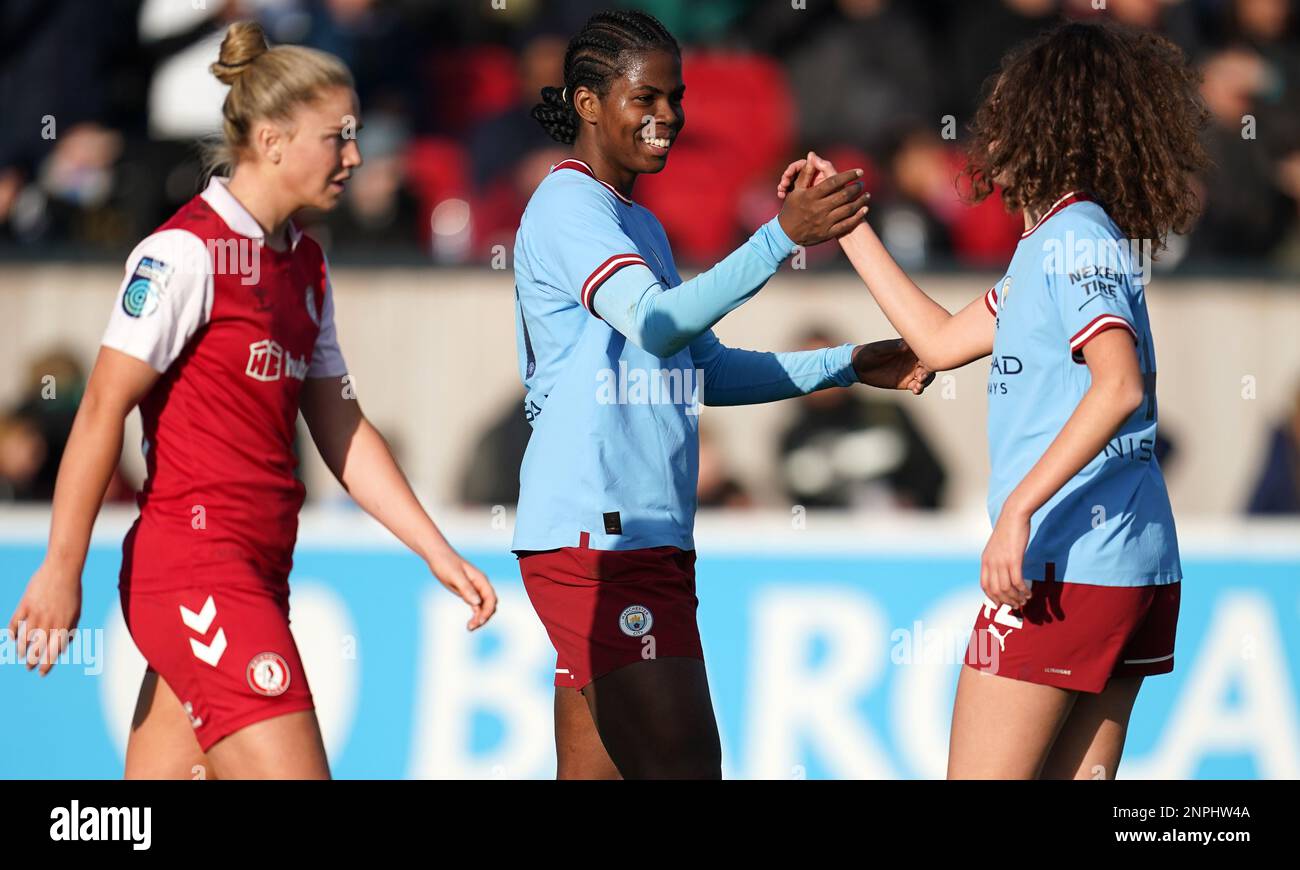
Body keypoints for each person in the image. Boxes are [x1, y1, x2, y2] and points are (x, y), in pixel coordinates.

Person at [7, 21, 496, 780]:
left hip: (260, 575)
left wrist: (437, 551)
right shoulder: (183, 254)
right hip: (199, 574)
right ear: (271, 141)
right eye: (338, 138)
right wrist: (60, 568)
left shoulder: (305, 266)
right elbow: (101, 406)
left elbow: (342, 426)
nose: (357, 157)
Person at [780, 21, 1206, 779]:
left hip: (1067, 561)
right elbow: (940, 343)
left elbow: (1118, 384)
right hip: (1132, 567)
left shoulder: (1071, 239)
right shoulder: (1064, 242)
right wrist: (845, 225)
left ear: (1036, 123)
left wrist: (1017, 512)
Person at [515, 9, 931, 779]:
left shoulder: (640, 226)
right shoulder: (568, 204)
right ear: (586, 103)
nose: (668, 116)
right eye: (646, 98)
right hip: (598, 542)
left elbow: (699, 367)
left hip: (645, 540)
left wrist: (847, 363)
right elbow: (655, 323)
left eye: (675, 97)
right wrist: (779, 237)